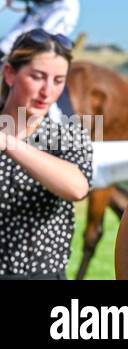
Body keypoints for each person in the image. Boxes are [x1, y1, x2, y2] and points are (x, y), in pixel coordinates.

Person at [0, 29, 93, 280]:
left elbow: (76, 187)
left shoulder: (67, 136)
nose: (47, 91)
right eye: (38, 77)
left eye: (58, 80)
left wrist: (9, 143)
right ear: (10, 74)